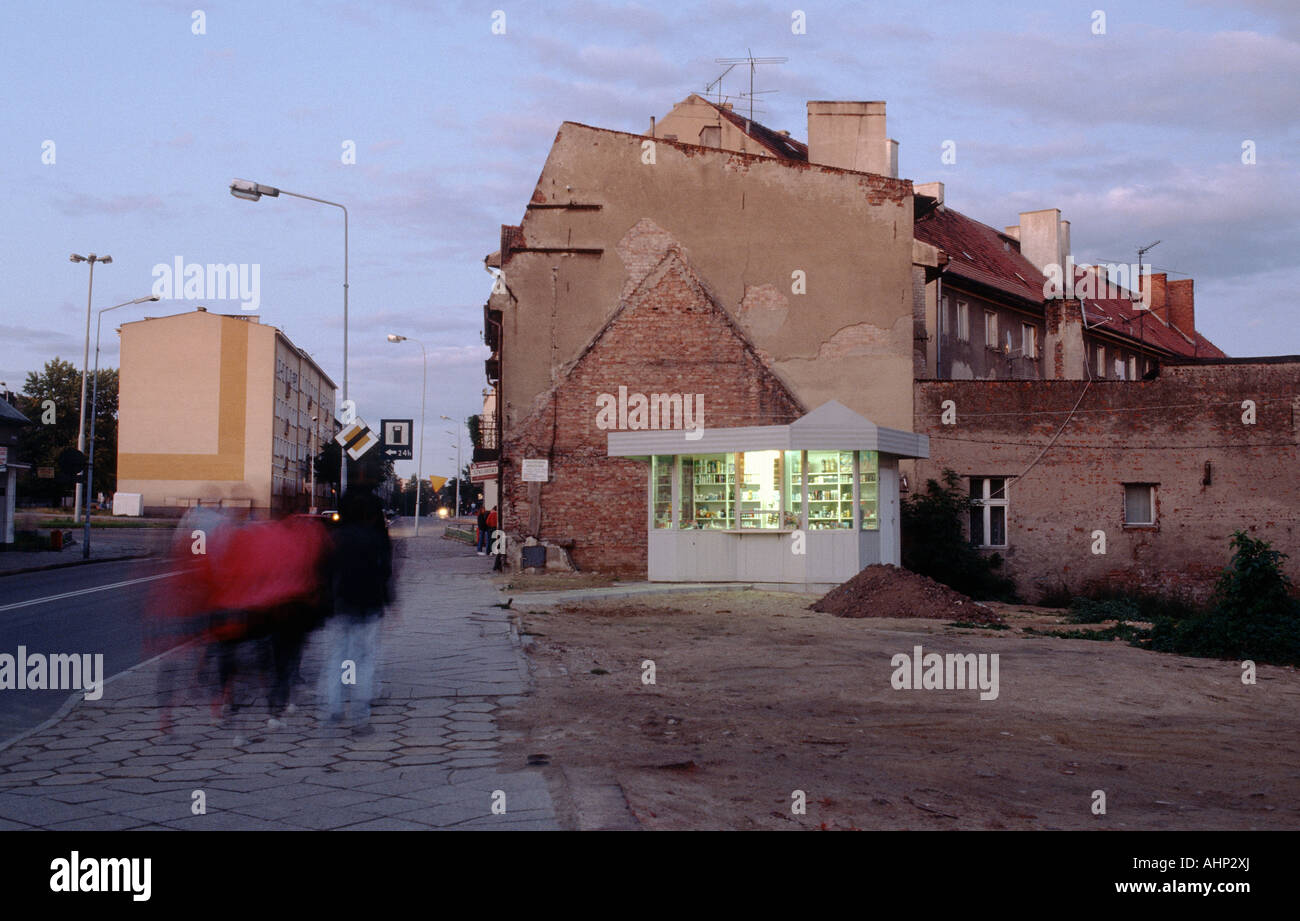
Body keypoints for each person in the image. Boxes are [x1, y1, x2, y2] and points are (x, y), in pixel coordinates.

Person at [319, 486, 393, 732]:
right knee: (364, 659)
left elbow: (324, 573)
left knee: (339, 658)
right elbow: (384, 574)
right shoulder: (376, 539)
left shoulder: (334, 538)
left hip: (341, 605)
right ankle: (360, 715)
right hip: (369, 605)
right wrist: (389, 600)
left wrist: (326, 602)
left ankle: (334, 708)